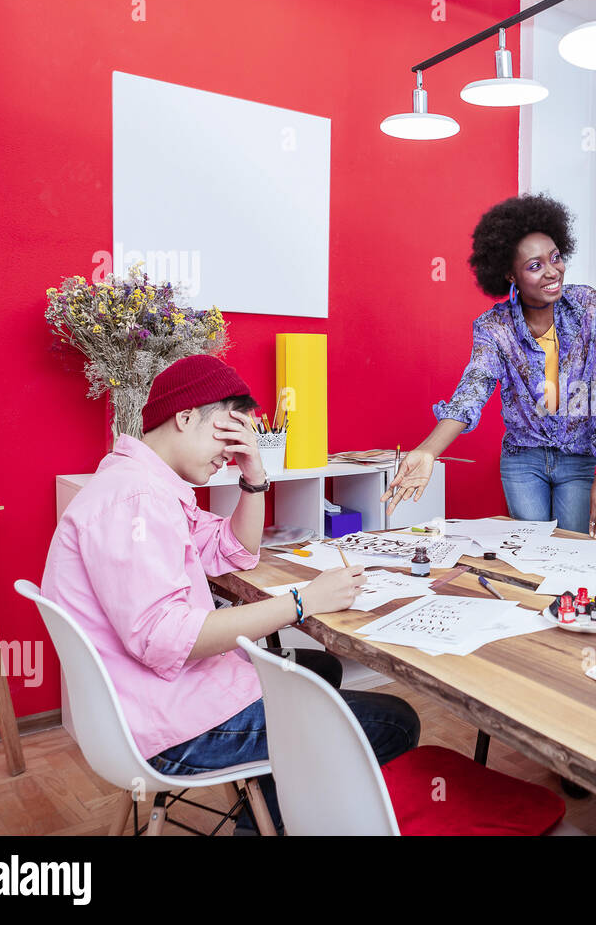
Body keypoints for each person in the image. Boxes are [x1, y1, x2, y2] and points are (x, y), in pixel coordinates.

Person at [41, 355, 420, 833]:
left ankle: (267, 811)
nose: (231, 449)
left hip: (157, 700)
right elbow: (165, 639)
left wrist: (254, 474)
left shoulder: (145, 486)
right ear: (184, 417)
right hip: (174, 726)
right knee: (397, 721)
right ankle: (271, 822)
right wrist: (303, 603)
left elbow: (234, 550)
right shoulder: (134, 503)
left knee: (320, 668)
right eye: (228, 431)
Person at [383, 194, 596, 537]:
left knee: (575, 554)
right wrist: (427, 451)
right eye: (535, 265)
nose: (552, 271)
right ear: (511, 274)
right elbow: (473, 388)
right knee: (532, 554)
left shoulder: (587, 305)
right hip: (523, 461)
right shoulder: (494, 327)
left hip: (579, 458)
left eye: (555, 258)